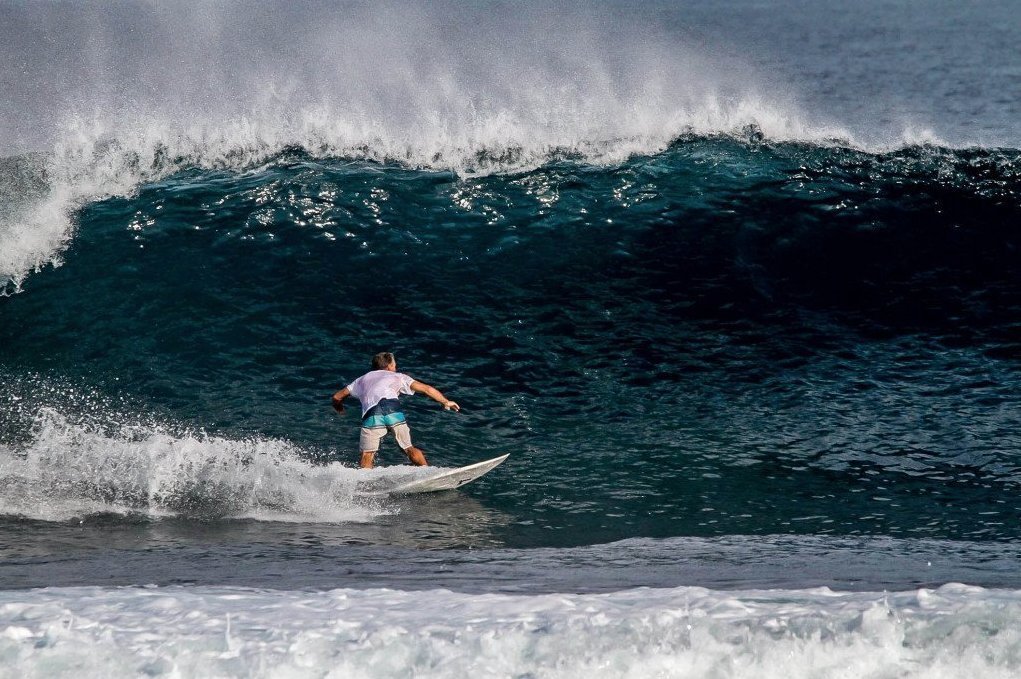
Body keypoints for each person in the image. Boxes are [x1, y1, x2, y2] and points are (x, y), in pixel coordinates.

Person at [332, 352, 460, 468]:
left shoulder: (360, 380)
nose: (395, 368)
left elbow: (337, 397)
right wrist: (445, 401)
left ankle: (365, 485)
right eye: (394, 365)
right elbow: (426, 389)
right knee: (408, 448)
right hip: (392, 409)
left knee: (367, 454)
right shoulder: (398, 376)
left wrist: (339, 407)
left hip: (372, 413)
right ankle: (426, 471)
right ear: (388, 366)